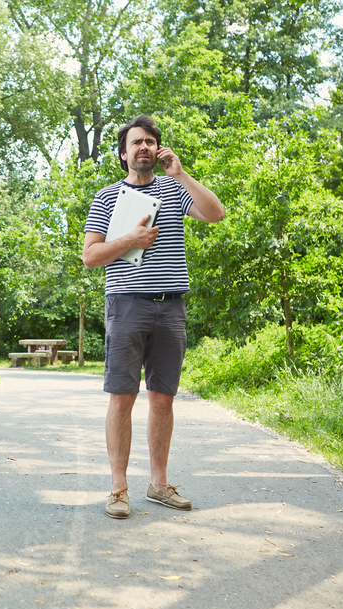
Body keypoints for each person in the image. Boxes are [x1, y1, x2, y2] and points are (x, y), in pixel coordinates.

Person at [82, 114, 225, 519]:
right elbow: (91, 257)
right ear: (124, 153)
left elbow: (215, 214)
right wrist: (131, 239)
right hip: (126, 305)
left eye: (149, 141)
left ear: (158, 149)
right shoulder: (107, 197)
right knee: (122, 397)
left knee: (163, 398)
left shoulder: (175, 190)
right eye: (135, 142)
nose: (143, 147)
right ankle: (118, 489)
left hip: (171, 305)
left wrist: (182, 174)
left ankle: (158, 486)